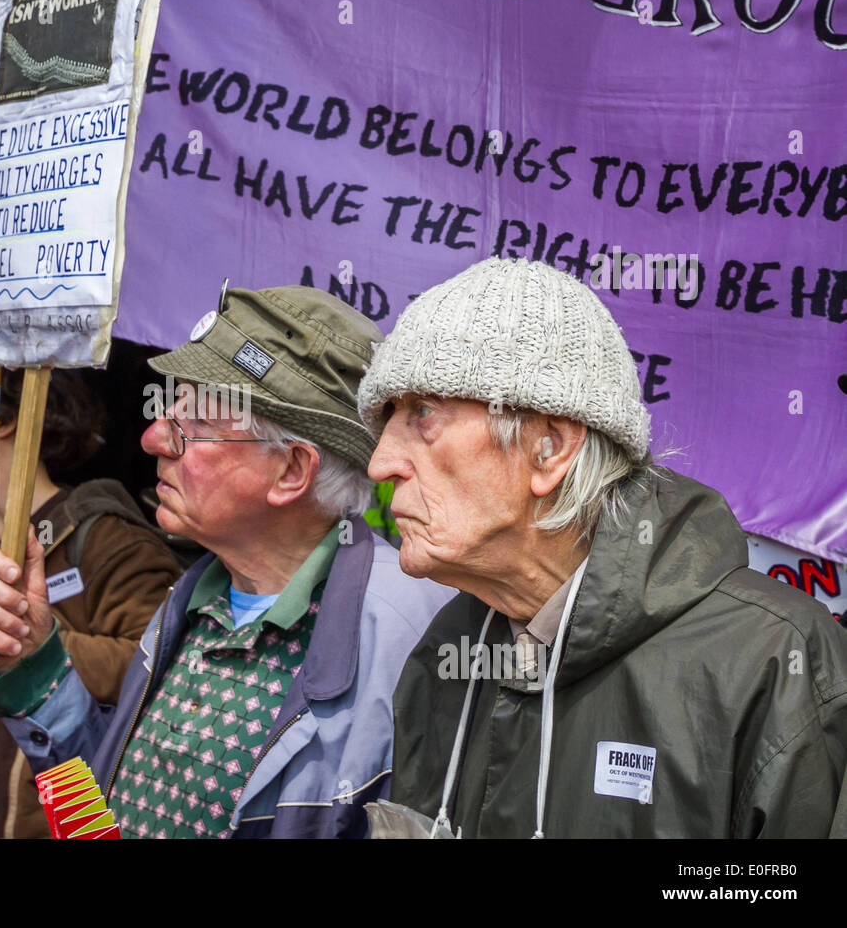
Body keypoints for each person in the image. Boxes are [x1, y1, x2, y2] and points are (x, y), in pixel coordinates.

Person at [358, 255, 847, 838]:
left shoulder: (774, 660)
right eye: (387, 420)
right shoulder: (451, 647)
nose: (380, 462)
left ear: (551, 448)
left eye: (424, 414)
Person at [0, 284, 456, 838]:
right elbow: (100, 820)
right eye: (168, 412)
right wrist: (33, 673)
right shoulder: (193, 601)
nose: (151, 438)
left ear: (292, 470)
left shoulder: (409, 637)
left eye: (191, 426)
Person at [0, 360, 182, 838]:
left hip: (64, 821)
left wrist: (36, 648)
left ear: (8, 421)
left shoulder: (104, 536)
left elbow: (159, 667)